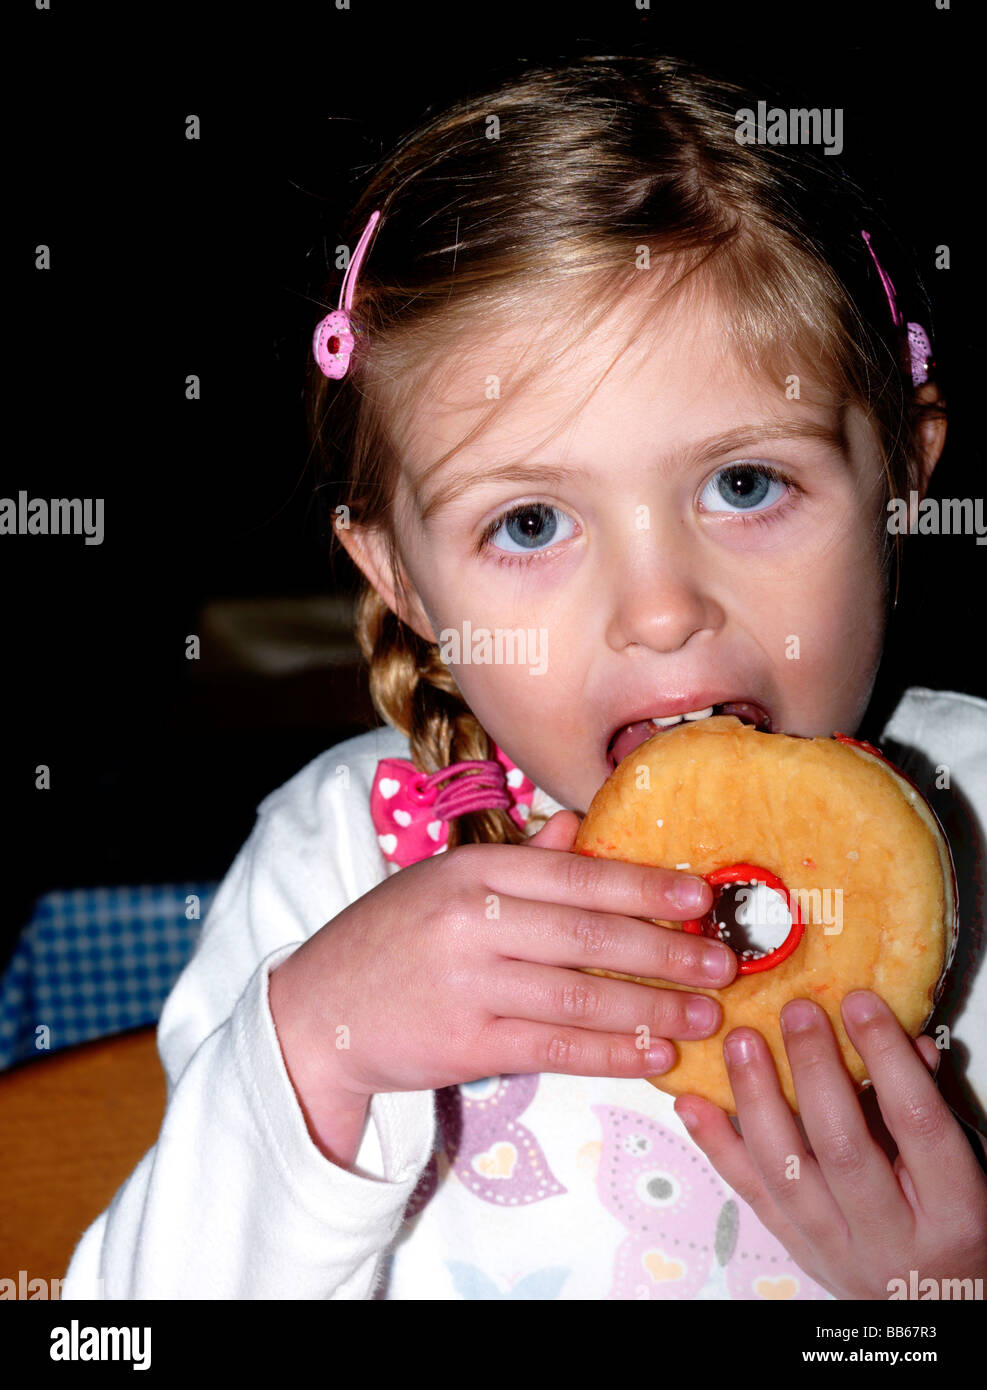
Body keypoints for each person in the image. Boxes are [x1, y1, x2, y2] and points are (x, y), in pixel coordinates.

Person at [63, 54, 987, 1301]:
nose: (660, 610)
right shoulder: (334, 867)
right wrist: (316, 1056)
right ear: (402, 578)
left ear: (905, 478)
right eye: (534, 523)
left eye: (746, 485)